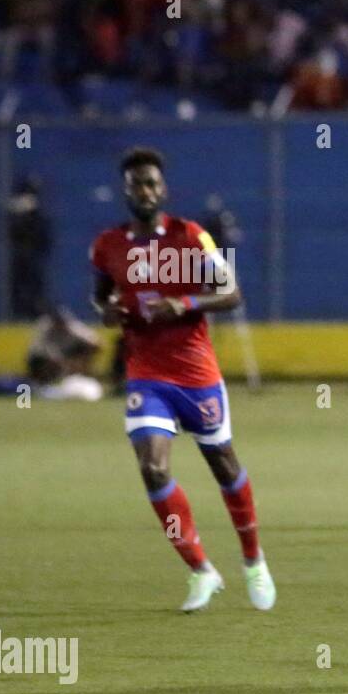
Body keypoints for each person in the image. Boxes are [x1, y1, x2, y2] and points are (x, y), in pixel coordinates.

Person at [90, 146, 276, 613]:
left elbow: (231, 293)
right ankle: (200, 570)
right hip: (146, 376)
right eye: (137, 184)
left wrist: (186, 304)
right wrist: (108, 313)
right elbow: (101, 300)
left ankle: (253, 559)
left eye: (152, 183)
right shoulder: (107, 246)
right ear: (126, 190)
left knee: (225, 467)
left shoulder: (190, 236)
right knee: (152, 467)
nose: (146, 190)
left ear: (163, 188)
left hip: (196, 373)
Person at [8, 176, 52, 320]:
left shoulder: (39, 218)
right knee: (19, 293)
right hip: (20, 261)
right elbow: (12, 235)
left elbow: (44, 239)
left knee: (34, 292)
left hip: (33, 261)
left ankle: (35, 315)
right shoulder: (16, 216)